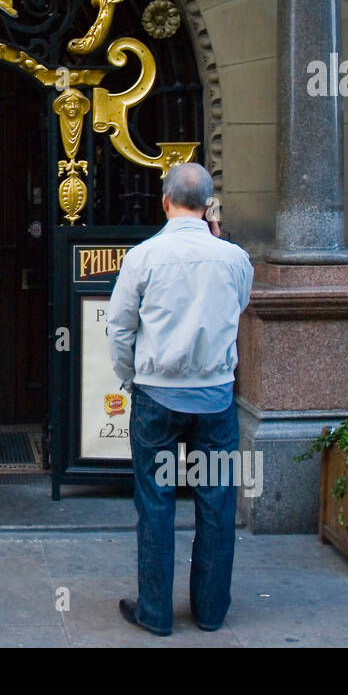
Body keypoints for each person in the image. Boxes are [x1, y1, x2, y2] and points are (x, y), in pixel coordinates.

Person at [106, 162, 253, 636]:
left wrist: (132, 378)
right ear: (209, 206)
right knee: (216, 503)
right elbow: (240, 306)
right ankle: (210, 612)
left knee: (156, 503)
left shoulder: (144, 256)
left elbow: (121, 327)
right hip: (214, 401)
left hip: (158, 398)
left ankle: (155, 611)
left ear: (164, 201)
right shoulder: (234, 258)